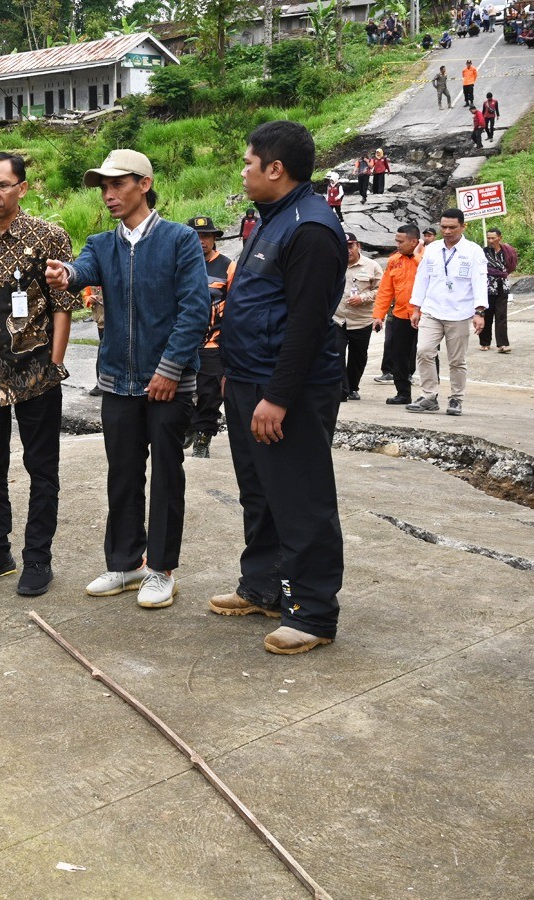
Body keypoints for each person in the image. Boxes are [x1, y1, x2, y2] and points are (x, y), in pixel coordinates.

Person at [45, 149, 209, 610]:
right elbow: (81, 271)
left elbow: (195, 311)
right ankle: (125, 564)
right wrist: (65, 275)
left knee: (166, 477)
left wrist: (170, 369)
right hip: (119, 382)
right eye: (103, 187)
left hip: (169, 385)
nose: (108, 194)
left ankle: (161, 569)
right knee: (122, 475)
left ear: (145, 183)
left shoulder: (179, 240)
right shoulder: (102, 244)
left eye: (117, 184)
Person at [211, 120, 346, 656]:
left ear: (275, 168)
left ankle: (312, 612)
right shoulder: (271, 220)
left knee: (300, 497)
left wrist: (279, 397)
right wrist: (233, 376)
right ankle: (265, 587)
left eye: (248, 162)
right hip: (247, 381)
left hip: (284, 390)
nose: (243, 171)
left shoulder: (310, 229)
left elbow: (307, 325)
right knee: (260, 493)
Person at [0, 152, 78, 596]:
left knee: (42, 468)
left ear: (22, 188)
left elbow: (63, 308)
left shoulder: (49, 237)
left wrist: (56, 364)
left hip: (34, 374)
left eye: (3, 185)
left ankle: (38, 557)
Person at [409, 207, 488, 416]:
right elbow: (422, 278)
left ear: (463, 226)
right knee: (424, 351)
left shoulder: (473, 251)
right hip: (432, 311)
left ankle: (456, 399)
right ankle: (428, 396)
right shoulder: (432, 249)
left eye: (452, 227)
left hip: (460, 313)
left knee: (456, 360)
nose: (447, 231)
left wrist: (479, 311)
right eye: (443, 227)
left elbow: (480, 282)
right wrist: (416, 307)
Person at [186, 216, 232, 458]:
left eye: (206, 236)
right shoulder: (178, 263)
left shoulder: (227, 266)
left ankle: (203, 436)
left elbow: (237, 308)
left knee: (210, 394)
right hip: (181, 342)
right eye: (195, 236)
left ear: (214, 239)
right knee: (177, 391)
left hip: (213, 343)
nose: (200, 241)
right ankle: (188, 425)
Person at [372, 225, 425, 405]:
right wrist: (378, 315)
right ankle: (403, 393)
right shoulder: (394, 261)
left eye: (400, 241)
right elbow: (385, 290)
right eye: (397, 240)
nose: (397, 244)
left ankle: (429, 394)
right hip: (401, 315)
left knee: (427, 354)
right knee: (398, 355)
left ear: (414, 241)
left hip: (425, 317)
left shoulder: (426, 259)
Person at [336, 233, 383, 401]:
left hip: (361, 320)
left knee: (358, 357)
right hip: (338, 319)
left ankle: (353, 387)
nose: (347, 250)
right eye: (344, 246)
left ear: (358, 246)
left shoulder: (372, 266)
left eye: (351, 245)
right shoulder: (334, 263)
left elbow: (381, 290)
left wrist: (362, 298)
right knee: (337, 353)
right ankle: (341, 390)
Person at [481, 226, 519, 352]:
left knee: (501, 316)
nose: (490, 240)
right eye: (488, 238)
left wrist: (502, 273)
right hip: (488, 287)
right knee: (487, 315)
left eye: (493, 238)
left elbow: (511, 265)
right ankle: (485, 342)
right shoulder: (483, 252)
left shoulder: (507, 251)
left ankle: (502, 344)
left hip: (503, 287)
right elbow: (480, 268)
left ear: (499, 238)